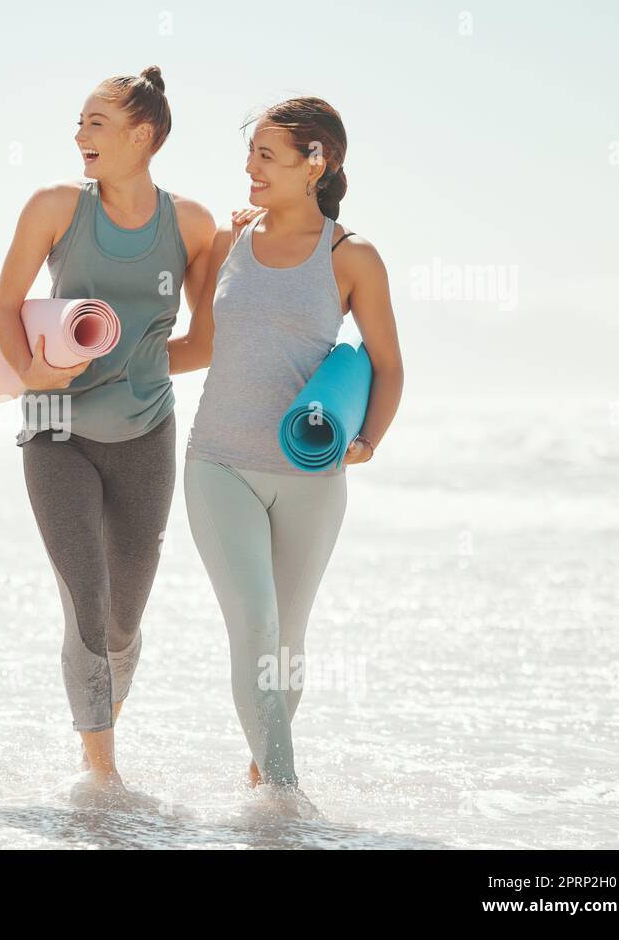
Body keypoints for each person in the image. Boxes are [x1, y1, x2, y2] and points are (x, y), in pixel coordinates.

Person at [0, 66, 216, 803]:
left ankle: (97, 717)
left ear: (141, 135)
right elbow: (5, 305)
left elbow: (203, 340)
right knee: (84, 599)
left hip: (146, 431)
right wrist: (31, 371)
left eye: (95, 122)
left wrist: (137, 365)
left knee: (124, 617)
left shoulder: (190, 225)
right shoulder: (55, 207)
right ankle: (102, 775)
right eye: (80, 121)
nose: (79, 134)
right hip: (55, 429)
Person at [172, 97, 403, 802]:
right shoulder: (228, 240)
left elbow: (387, 363)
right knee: (255, 620)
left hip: (309, 471)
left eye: (265, 156)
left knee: (289, 635)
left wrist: (368, 438)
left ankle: (264, 769)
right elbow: (202, 346)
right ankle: (285, 787)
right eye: (250, 155)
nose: (250, 168)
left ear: (315, 163)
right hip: (218, 461)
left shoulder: (352, 254)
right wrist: (112, 363)